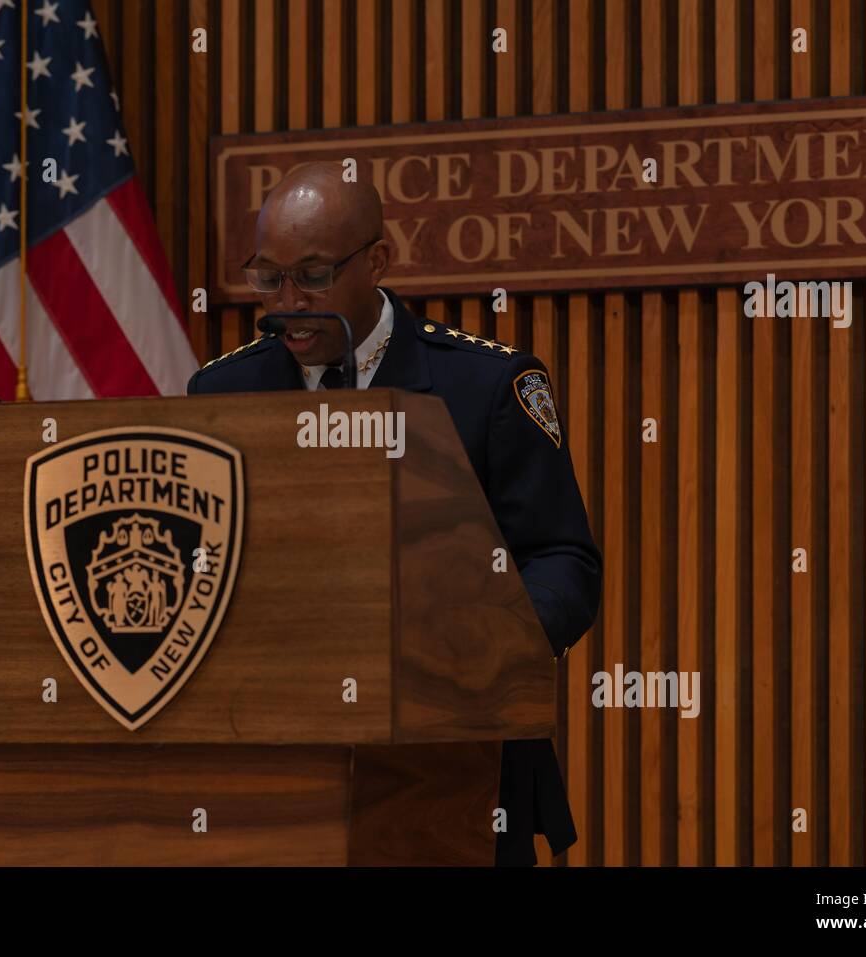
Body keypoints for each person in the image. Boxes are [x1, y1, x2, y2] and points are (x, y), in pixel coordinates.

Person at [187, 162, 602, 866]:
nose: (288, 302)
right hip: (273, 765)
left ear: (377, 260)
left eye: (313, 277)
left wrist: (473, 646)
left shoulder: (487, 385)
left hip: (459, 766)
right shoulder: (224, 390)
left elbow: (564, 562)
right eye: (269, 278)